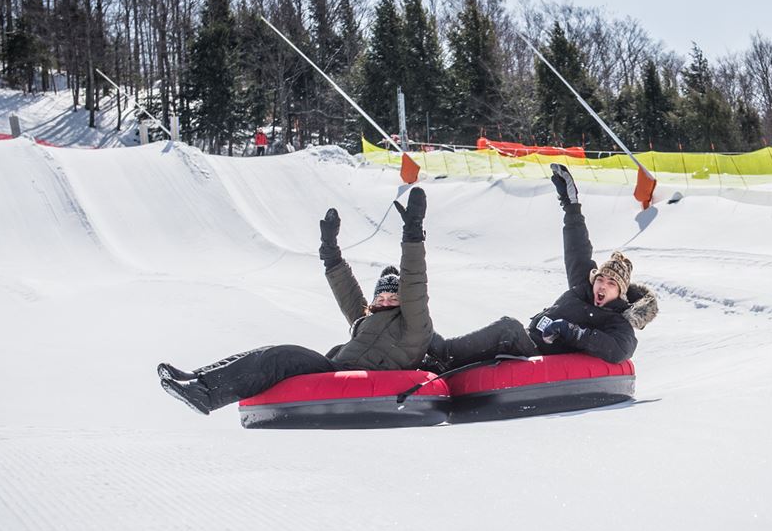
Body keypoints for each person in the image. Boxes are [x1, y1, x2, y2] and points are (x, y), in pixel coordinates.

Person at [158, 188, 432, 414]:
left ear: (403, 299)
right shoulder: (366, 320)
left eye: (392, 297)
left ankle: (205, 395)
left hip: (356, 373)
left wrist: (412, 233)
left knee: (282, 356)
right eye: (380, 297)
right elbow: (347, 292)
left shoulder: (412, 324)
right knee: (269, 352)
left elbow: (415, 280)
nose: (384, 302)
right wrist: (329, 250)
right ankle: (197, 378)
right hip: (335, 369)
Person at [425, 164, 658, 371]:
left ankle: (444, 351)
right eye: (601, 279)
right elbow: (577, 248)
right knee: (507, 334)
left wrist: (572, 331)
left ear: (620, 292)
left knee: (509, 328)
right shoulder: (583, 286)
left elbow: (620, 349)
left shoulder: (618, 320)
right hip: (530, 340)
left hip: (541, 358)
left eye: (611, 284)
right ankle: (441, 366)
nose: (602, 285)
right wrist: (571, 205)